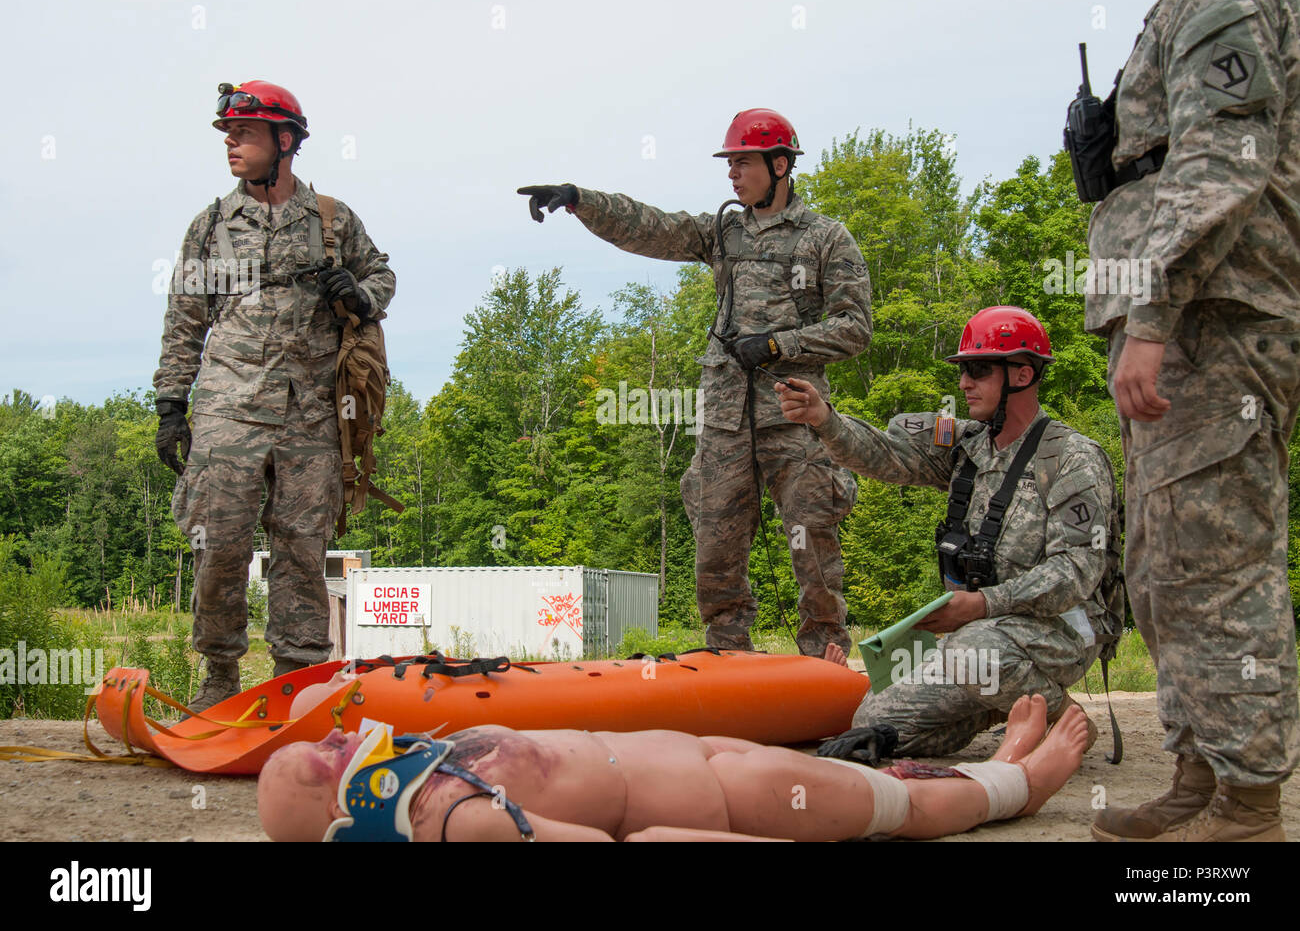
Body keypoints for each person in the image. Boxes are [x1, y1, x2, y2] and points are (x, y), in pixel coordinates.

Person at [517, 109, 871, 656]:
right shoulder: (721, 232)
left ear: (780, 164)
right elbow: (651, 226)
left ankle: (823, 654)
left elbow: (855, 328)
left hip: (794, 414)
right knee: (715, 542)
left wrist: (781, 345)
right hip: (725, 418)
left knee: (812, 538)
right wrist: (578, 198)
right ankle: (727, 653)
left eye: (743, 162)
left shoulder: (826, 238)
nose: (732, 174)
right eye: (729, 163)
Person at [1083, 0, 1300, 842]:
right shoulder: (1193, 0)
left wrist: (1152, 310)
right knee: (1165, 561)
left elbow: (1222, 159)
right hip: (1191, 315)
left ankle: (1248, 802)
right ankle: (1201, 768)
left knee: (1216, 564)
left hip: (1214, 312)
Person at [779, 307, 1120, 761]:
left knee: (973, 650)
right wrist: (826, 419)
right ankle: (1001, 702)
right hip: (983, 633)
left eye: (978, 371)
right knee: (875, 724)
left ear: (1021, 374)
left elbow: (1077, 570)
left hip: (1063, 626)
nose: (964, 384)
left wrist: (981, 604)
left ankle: (1063, 721)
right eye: (963, 371)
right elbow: (887, 456)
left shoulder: (1072, 459)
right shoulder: (969, 447)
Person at [153, 81, 396, 710]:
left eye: (244, 133)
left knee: (301, 547)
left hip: (314, 413)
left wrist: (361, 294)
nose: (230, 143)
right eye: (228, 133)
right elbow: (184, 320)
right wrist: (171, 405)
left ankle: (297, 685)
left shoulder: (333, 219)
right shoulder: (209, 226)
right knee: (221, 544)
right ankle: (219, 681)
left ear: (285, 141)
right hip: (228, 411)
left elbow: (383, 275)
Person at [257, 692, 1091, 842]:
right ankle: (1023, 786)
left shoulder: (430, 770)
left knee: (880, 782)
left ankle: (995, 772)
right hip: (726, 800)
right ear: (340, 811)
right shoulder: (455, 819)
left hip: (697, 757)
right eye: (321, 759)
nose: (338, 742)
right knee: (887, 807)